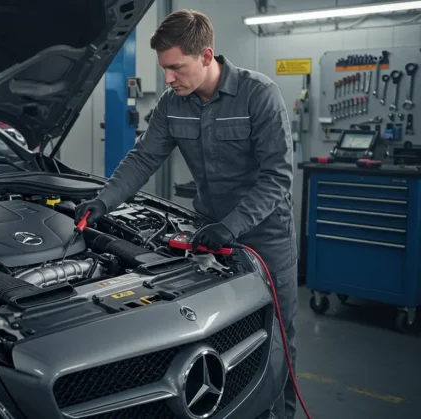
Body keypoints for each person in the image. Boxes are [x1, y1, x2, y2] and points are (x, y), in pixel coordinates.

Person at [75, 9, 298, 419]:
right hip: (207, 234)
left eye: (175, 68)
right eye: (164, 69)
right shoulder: (171, 104)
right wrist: (103, 201)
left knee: (275, 339)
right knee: (216, 331)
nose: (168, 79)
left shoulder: (258, 94)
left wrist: (232, 227)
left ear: (207, 55)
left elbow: (278, 177)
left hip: (265, 236)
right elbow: (143, 159)